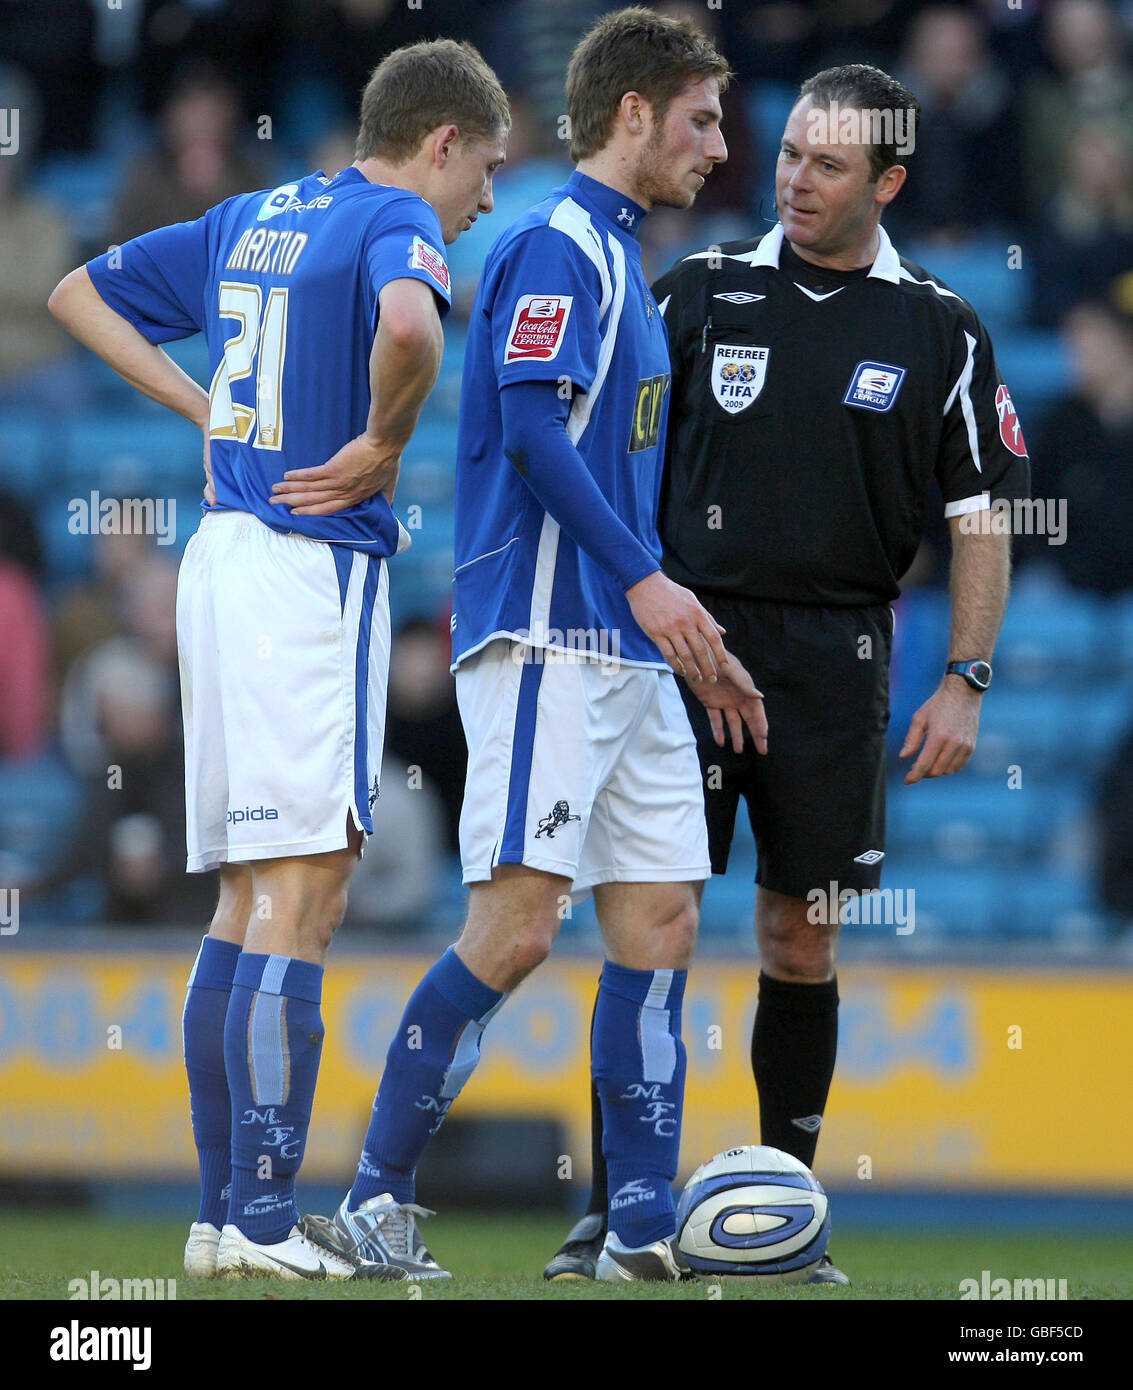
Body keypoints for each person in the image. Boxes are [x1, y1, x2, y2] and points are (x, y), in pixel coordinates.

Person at [299, 7, 766, 1284]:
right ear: (632, 114)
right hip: (549, 635)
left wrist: (676, 623)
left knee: (662, 919)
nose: (719, 148)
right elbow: (532, 432)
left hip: (630, 647)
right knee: (512, 929)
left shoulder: (623, 261)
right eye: (700, 120)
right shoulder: (553, 245)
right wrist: (649, 583)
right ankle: (377, 1199)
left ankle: (634, 1228)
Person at [544, 62, 1031, 1284]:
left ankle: (787, 1217)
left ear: (888, 182)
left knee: (799, 940)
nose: (792, 178)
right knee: (650, 926)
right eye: (788, 155)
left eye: (826, 164)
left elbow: (979, 514)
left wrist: (965, 675)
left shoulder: (939, 328)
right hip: (684, 649)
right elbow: (601, 453)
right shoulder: (698, 290)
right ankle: (619, 1213)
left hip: (835, 663)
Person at [48, 37, 510, 1282]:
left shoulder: (254, 213)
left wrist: (200, 407)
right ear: (441, 142)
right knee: (303, 895)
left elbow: (75, 294)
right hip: (310, 566)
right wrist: (379, 441)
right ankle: (261, 1219)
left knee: (245, 898)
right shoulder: (394, 220)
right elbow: (411, 329)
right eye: (486, 171)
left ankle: (218, 1217)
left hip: (222, 555)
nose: (484, 204)